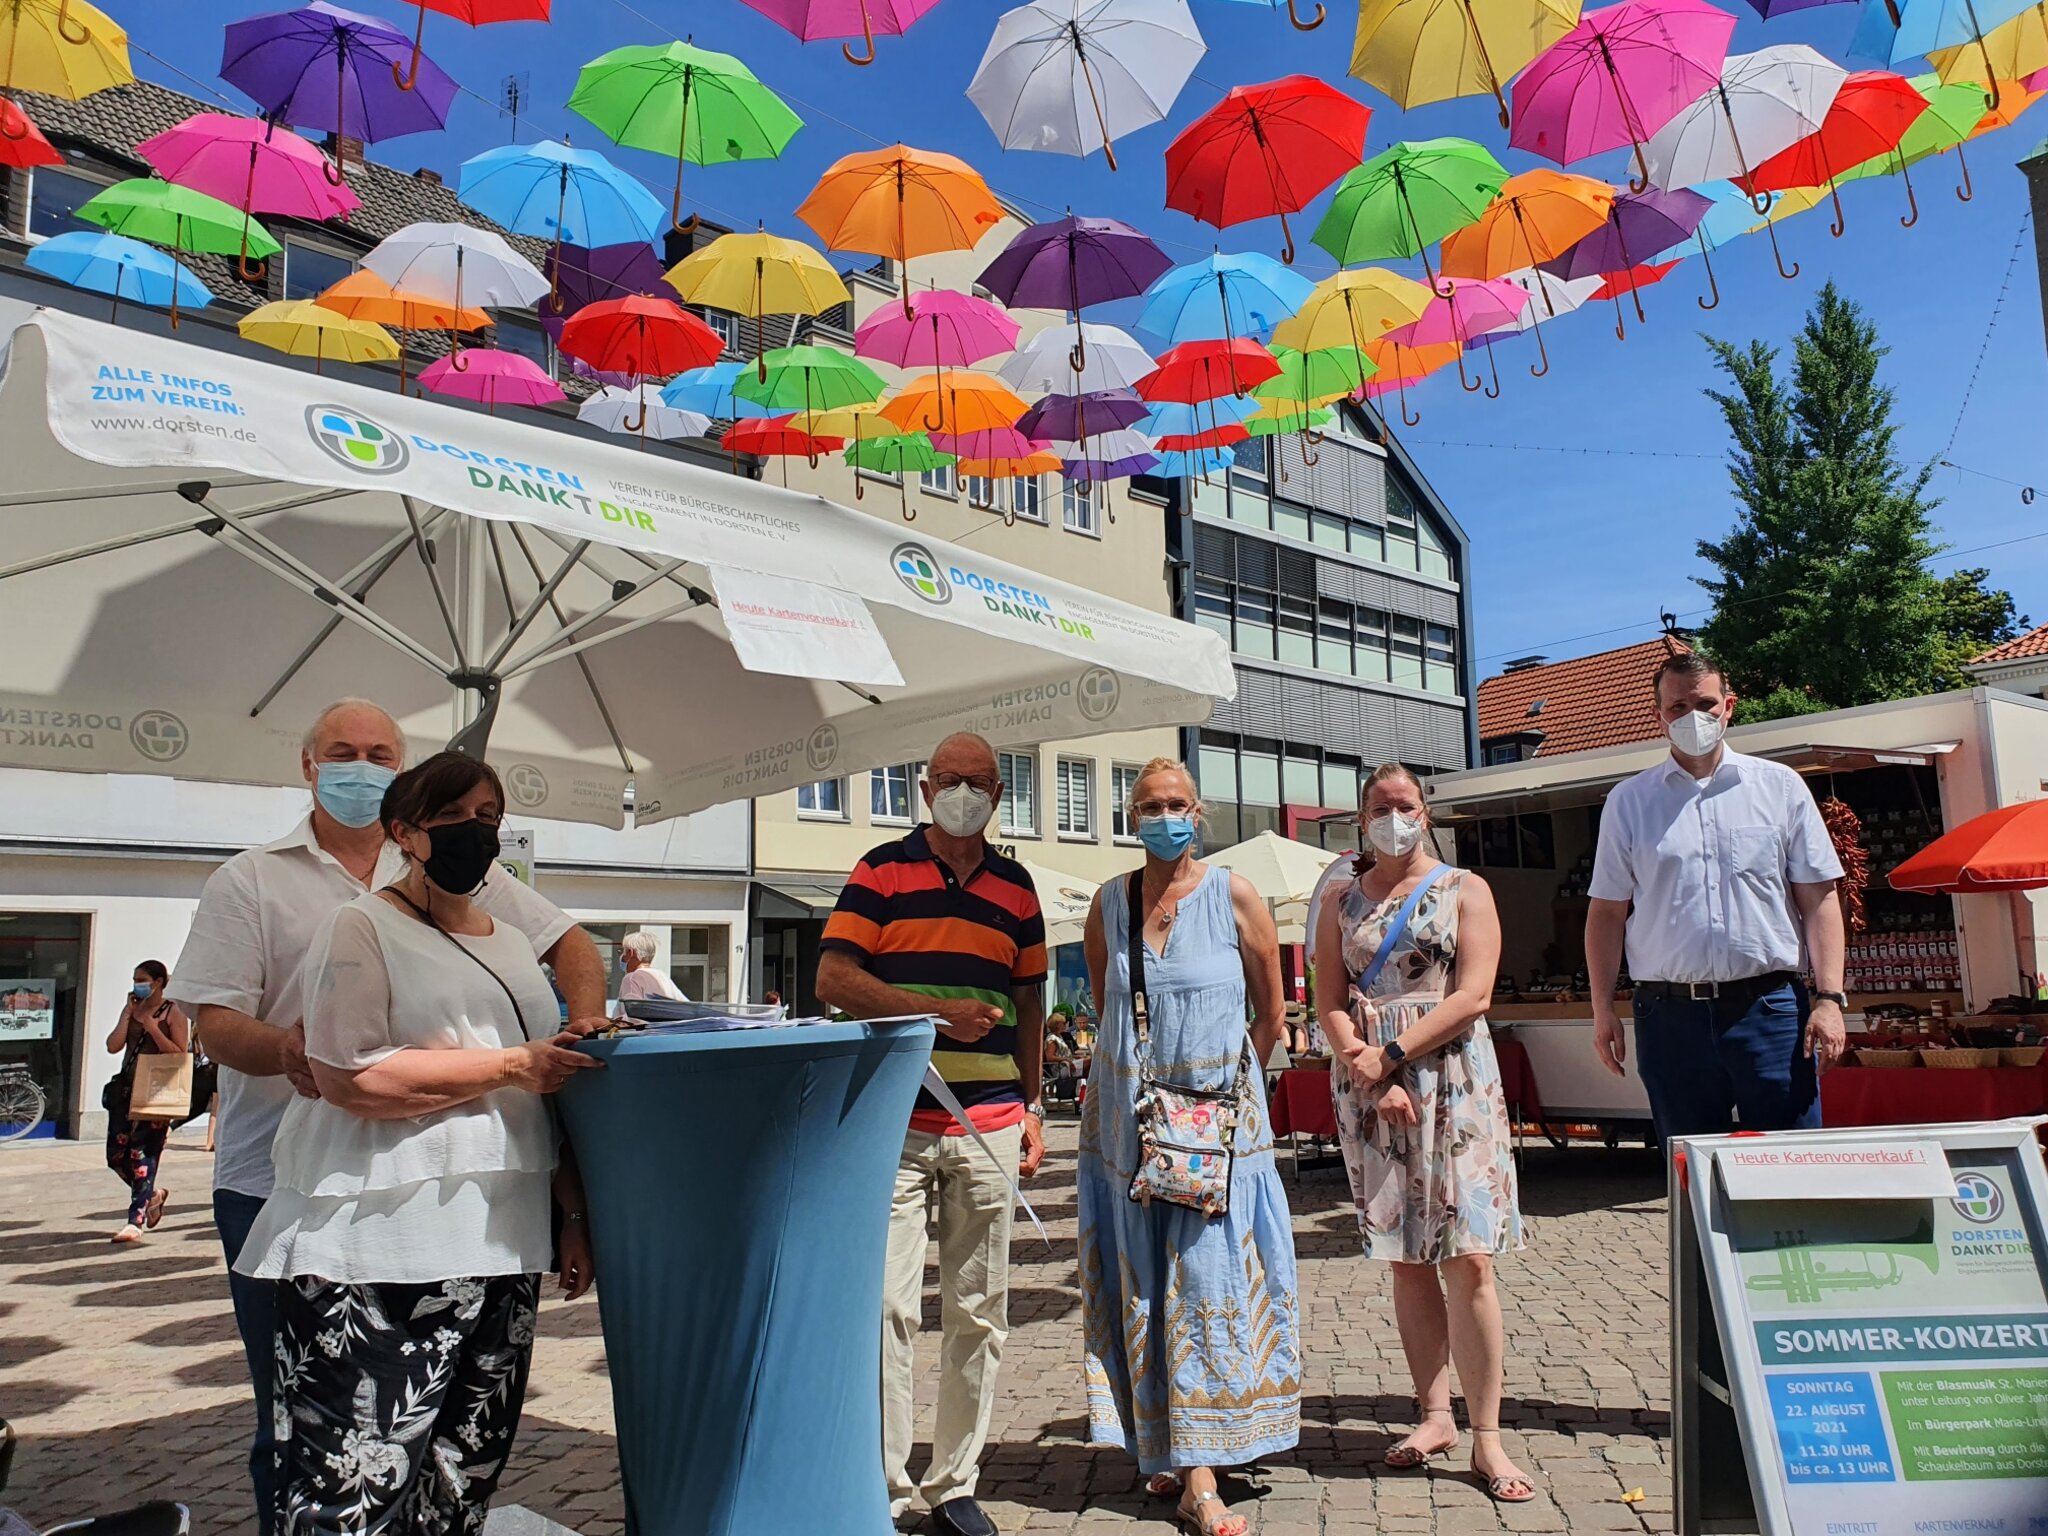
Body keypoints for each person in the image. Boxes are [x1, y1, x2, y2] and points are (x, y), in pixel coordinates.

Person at [170, 699, 607, 1535]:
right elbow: (224, 1026)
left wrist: (571, 1202)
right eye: (344, 751)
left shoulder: (503, 921)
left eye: (490, 818)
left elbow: (571, 960)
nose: (359, 764)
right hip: (338, 1201)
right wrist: (300, 1055)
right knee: (336, 1457)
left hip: (498, 1227)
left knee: (459, 1464)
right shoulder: (268, 885)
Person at [814, 732, 1047, 1536]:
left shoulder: (1018, 888)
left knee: (980, 1314)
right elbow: (834, 979)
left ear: (997, 794)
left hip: (989, 1124)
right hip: (895, 1122)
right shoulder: (880, 870)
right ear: (924, 789)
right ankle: (880, 1485)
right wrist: (939, 1011)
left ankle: (954, 1485)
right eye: (951, 780)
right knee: (885, 1307)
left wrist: (1035, 1106)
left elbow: (1031, 1005)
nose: (964, 793)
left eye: (979, 782)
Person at [1078, 758, 1300, 1536]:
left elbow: (1270, 1011)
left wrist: (1230, 1096)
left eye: (1176, 804)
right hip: (1130, 1128)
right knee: (1143, 1283)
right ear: (1130, 815)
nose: (1163, 816)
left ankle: (1203, 1472)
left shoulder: (1235, 893)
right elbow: (1111, 1009)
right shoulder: (1108, 903)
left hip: (1217, 1128)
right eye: (1149, 805)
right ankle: (1169, 1450)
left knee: (1204, 1281)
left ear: (1197, 813)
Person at [1314, 763, 1535, 1505]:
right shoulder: (1341, 900)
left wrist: (1395, 1055)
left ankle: (1488, 1438)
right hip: (1374, 1090)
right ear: (1361, 817)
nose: (1394, 816)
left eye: (1405, 804)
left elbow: (1474, 992)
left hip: (1454, 1081)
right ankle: (1434, 1415)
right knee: (1406, 1258)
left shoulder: (1465, 889)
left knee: (1468, 1257)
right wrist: (1369, 1070)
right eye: (1381, 806)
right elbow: (1329, 998)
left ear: (1426, 812)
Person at [1585, 651, 1848, 1140]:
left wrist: (1829, 999)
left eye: (1704, 703)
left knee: (1792, 1164)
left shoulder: (1780, 787)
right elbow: (1606, 913)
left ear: (1729, 706)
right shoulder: (1629, 801)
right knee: (1691, 1174)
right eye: (1677, 707)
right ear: (1658, 715)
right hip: (1669, 1017)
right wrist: (1603, 1010)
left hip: (1769, 1010)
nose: (1692, 717)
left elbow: (1820, 898)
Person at [104, 960, 190, 1243]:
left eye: (142, 979)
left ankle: (135, 1220)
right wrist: (128, 1016)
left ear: (159, 982)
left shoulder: (174, 1011)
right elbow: (113, 1045)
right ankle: (152, 1195)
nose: (137, 984)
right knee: (116, 1156)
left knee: (142, 1156)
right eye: (134, 979)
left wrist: (153, 1028)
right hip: (127, 1090)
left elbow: (179, 1054)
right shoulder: (133, 1009)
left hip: (157, 1092)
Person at [613, 930, 686, 1020]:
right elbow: (685, 1007)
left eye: (622, 951)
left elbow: (630, 1016)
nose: (621, 957)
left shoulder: (632, 978)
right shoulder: (662, 976)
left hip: (642, 1033)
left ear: (630, 953)